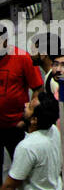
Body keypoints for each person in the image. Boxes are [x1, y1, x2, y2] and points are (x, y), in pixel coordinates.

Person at [0, 90, 63, 190]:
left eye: (29, 106)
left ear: (34, 120)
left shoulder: (27, 147)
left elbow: (9, 187)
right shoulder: (53, 130)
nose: (25, 104)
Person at [1, 38, 43, 168]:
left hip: (16, 125)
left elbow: (38, 88)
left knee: (23, 167)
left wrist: (26, 119)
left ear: (5, 40)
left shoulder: (22, 58)